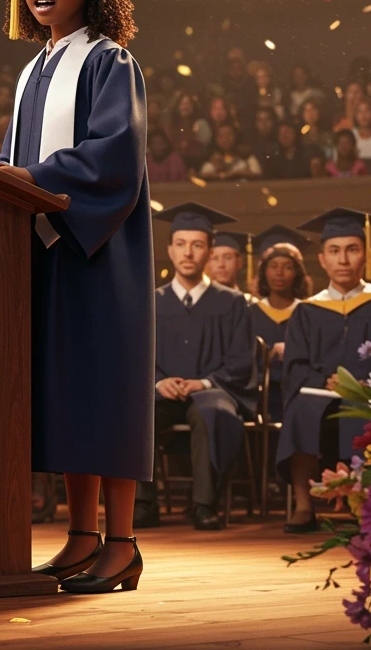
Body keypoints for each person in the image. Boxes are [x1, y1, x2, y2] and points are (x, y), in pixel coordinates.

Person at [0, 0, 153, 593]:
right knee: (69, 394)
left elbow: (117, 152)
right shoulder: (34, 70)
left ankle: (123, 543)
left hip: (98, 246)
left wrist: (34, 178)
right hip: (51, 249)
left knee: (104, 390)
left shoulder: (109, 60)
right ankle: (82, 536)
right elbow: (15, 155)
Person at [277, 208, 371, 533]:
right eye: (334, 251)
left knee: (367, 410)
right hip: (319, 392)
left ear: (365, 256)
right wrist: (323, 381)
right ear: (322, 259)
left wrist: (366, 385)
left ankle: (366, 502)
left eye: (352, 250)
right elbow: (295, 366)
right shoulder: (307, 311)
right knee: (299, 410)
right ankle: (303, 504)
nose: (343, 260)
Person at [135, 204, 255, 531]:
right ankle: (143, 503)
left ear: (209, 252)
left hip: (212, 391)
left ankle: (204, 504)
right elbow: (138, 356)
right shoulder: (151, 301)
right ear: (170, 251)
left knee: (211, 411)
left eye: (197, 245)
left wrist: (204, 383)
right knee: (136, 409)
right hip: (162, 392)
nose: (188, 253)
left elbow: (242, 360)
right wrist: (157, 382)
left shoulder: (233, 303)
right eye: (181, 244)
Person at [249, 226, 312, 424]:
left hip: (299, 394)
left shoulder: (309, 313)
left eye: (287, 267)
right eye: (273, 266)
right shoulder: (249, 313)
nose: (279, 273)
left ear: (298, 273)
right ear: (264, 271)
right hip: (258, 396)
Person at [205, 230, 248, 295]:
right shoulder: (196, 300)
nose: (221, 264)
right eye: (215, 258)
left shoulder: (248, 300)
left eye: (227, 258)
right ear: (206, 263)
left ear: (239, 262)